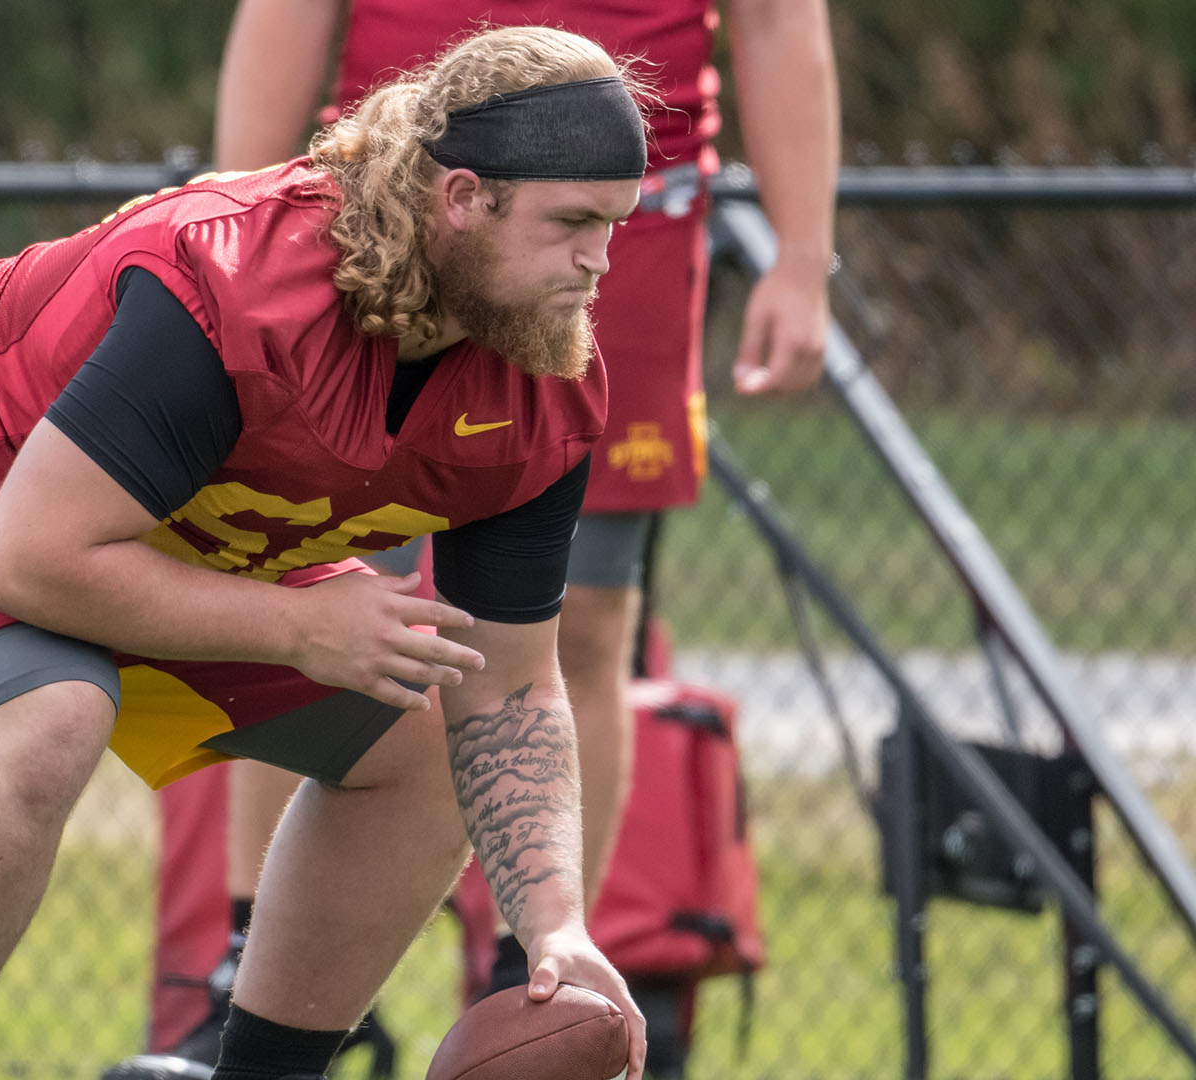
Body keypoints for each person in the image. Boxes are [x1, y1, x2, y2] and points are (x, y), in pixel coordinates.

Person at [0, 25, 651, 1080]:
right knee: (49, 704)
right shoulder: (239, 284)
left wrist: (555, 926)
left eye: (614, 226)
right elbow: (32, 563)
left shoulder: (541, 382)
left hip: (128, 533)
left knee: (423, 726)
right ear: (461, 197)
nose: (598, 261)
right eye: (573, 223)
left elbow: (507, 689)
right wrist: (298, 625)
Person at [130, 2, 837, 1076]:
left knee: (583, 622)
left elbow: (781, 24)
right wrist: (238, 230)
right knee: (299, 580)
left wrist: (804, 256)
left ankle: (537, 976)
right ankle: (245, 968)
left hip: (618, 207)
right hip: (398, 193)